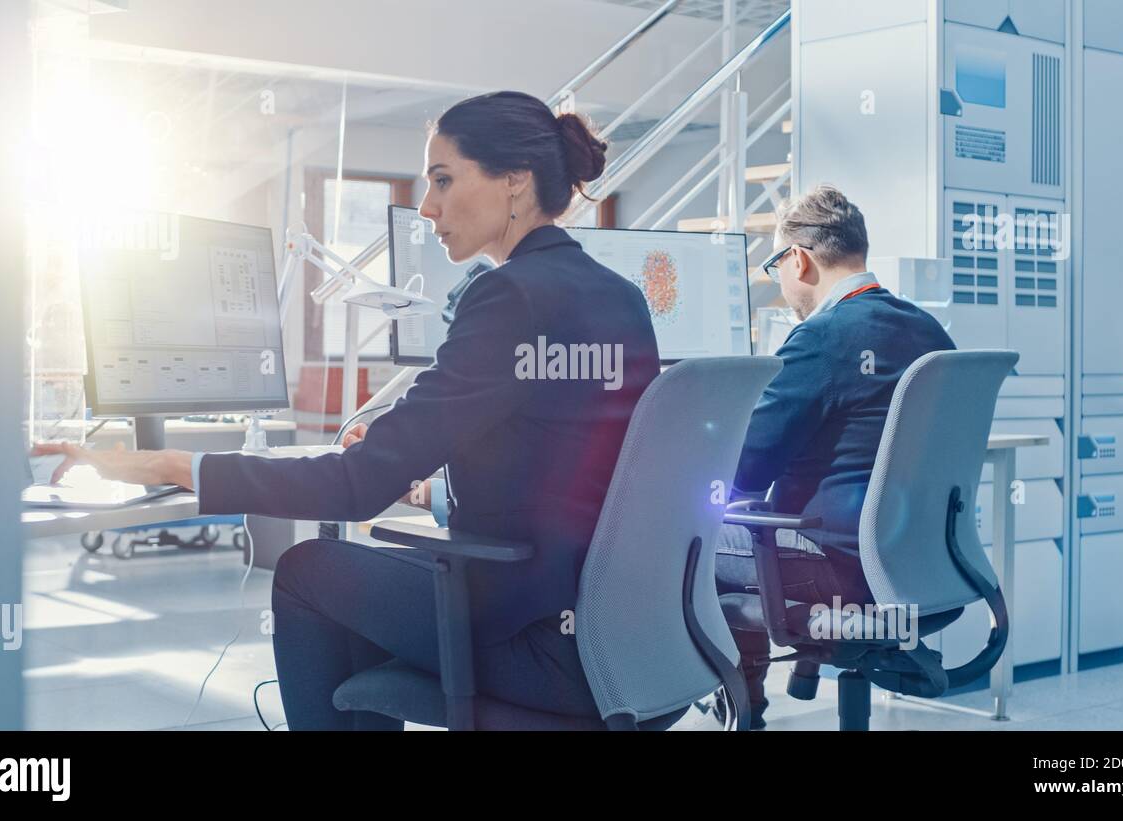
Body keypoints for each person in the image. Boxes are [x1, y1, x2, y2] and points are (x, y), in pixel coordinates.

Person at [35, 91, 661, 730]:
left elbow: (357, 489)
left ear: (514, 182)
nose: (428, 206)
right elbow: (571, 461)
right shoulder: (620, 297)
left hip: (543, 646)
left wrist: (172, 465)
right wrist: (434, 479)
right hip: (625, 639)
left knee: (311, 572)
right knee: (368, 594)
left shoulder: (507, 297)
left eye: (444, 179)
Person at [717, 185, 956, 727]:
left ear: (798, 259)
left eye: (775, 264)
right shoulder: (929, 329)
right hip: (919, 564)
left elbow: (744, 471)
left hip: (832, 569)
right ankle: (784, 680)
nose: (779, 280)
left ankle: (745, 709)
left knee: (688, 542)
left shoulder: (820, 337)